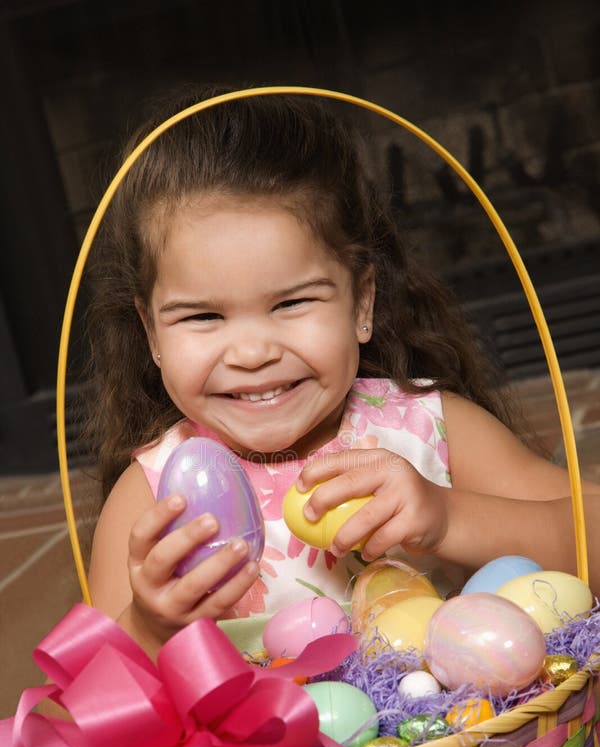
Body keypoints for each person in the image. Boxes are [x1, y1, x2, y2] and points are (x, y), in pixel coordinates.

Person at [83, 85, 600, 663]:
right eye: (203, 316)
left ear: (361, 303)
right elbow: (79, 710)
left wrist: (448, 517)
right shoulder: (154, 495)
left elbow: (592, 535)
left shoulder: (428, 427)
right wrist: (151, 628)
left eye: (292, 303)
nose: (252, 352)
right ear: (151, 333)